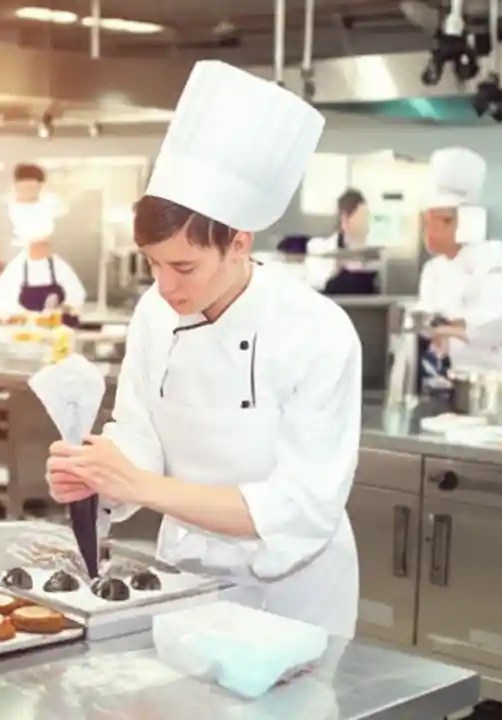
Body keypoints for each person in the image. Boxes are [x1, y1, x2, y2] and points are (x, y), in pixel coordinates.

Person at [46, 61, 361, 638]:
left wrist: (140, 487)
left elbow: (299, 508)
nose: (165, 286)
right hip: (183, 579)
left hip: (290, 596)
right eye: (152, 264)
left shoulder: (317, 332)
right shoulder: (154, 313)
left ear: (239, 244)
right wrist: (99, 473)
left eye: (184, 266)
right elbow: (141, 429)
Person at [417, 147, 502, 375]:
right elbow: (427, 325)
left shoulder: (497, 257)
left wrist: (442, 328)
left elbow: (491, 326)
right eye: (426, 222)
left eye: (435, 222)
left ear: (458, 222)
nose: (427, 231)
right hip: (475, 381)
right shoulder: (433, 271)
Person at [0, 204, 86, 322]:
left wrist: (62, 310)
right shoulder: (16, 269)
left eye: (44, 245)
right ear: (27, 245)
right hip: (25, 331)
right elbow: (4, 304)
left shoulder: (59, 267)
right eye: (37, 245)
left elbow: (76, 295)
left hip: (59, 331)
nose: (42, 249)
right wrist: (30, 317)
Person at [307, 189, 379, 295]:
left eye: (367, 217)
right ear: (345, 219)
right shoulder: (322, 250)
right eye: (362, 217)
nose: (367, 225)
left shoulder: (370, 256)